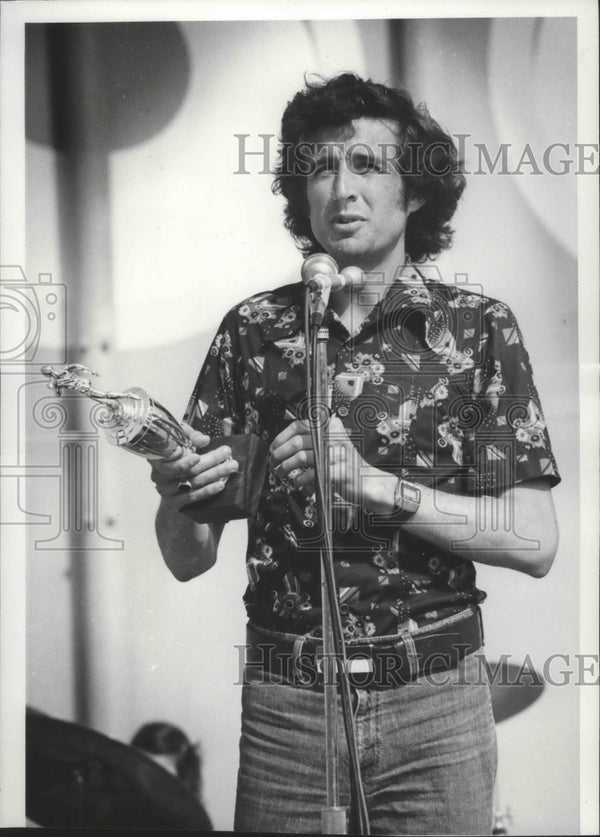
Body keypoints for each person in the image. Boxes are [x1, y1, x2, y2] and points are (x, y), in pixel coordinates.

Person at [151, 73, 560, 835]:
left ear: (415, 193)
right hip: (287, 705)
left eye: (368, 165)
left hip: (436, 701)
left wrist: (374, 485)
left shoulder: (475, 333)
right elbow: (187, 555)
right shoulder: (252, 331)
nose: (341, 188)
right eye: (320, 167)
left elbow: (534, 539)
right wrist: (178, 493)